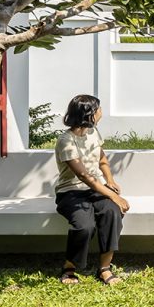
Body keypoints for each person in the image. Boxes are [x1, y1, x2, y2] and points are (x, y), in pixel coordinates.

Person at [53, 94, 130, 285]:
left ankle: (104, 268)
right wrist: (114, 196)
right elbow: (83, 176)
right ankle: (69, 268)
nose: (101, 112)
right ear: (89, 114)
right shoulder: (66, 141)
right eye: (99, 109)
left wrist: (110, 181)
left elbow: (102, 160)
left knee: (112, 212)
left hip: (96, 189)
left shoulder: (93, 133)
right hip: (70, 192)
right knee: (84, 226)